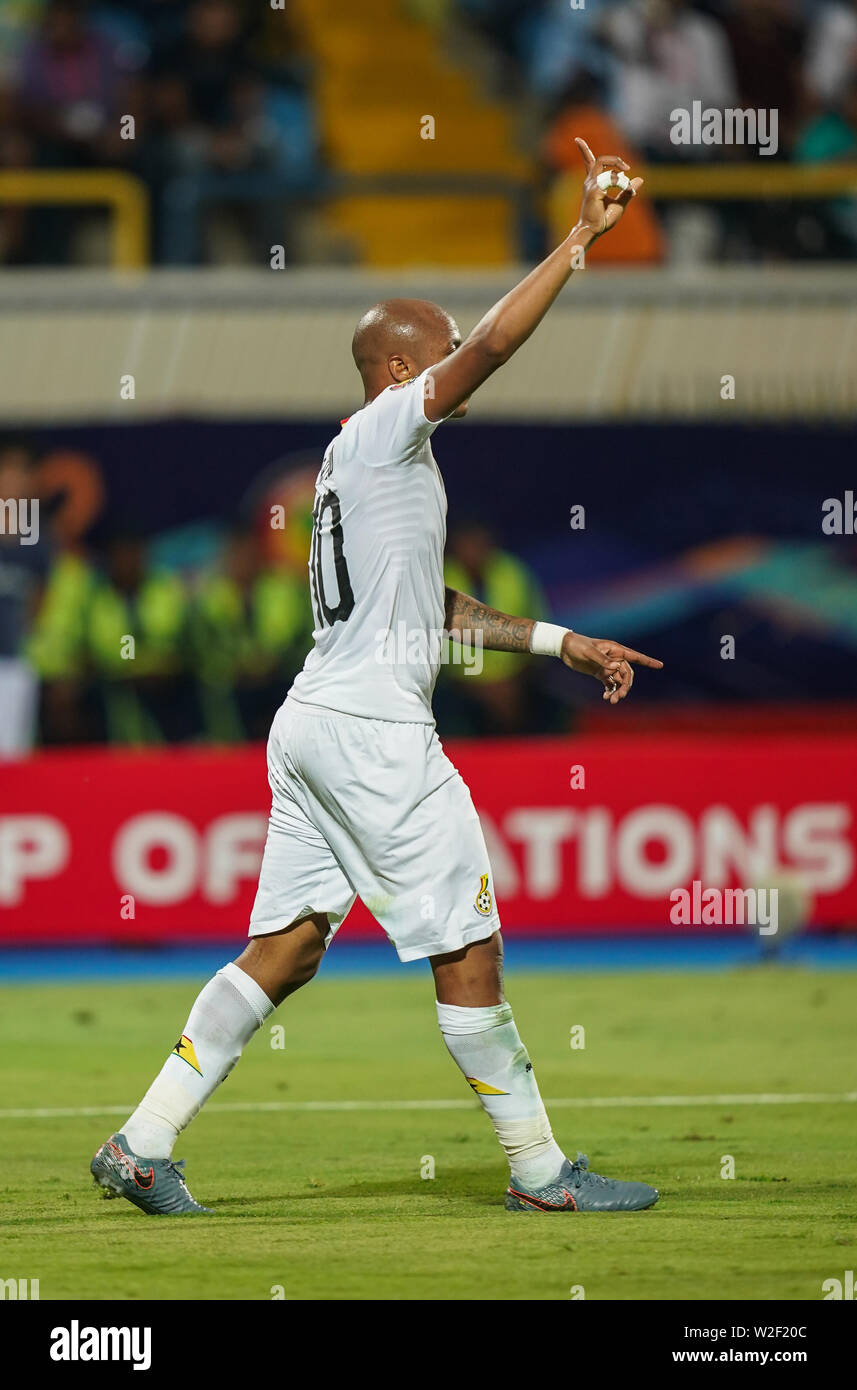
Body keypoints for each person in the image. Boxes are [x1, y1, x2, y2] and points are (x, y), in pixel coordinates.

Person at [91, 138, 664, 1216]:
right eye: (434, 353)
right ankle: (540, 1172)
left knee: (290, 945)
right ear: (402, 371)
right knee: (469, 945)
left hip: (315, 720)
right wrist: (577, 242)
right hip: (370, 733)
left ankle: (141, 1141)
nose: (452, 362)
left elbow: (433, 612)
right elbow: (493, 341)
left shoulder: (368, 471)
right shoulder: (389, 428)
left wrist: (560, 642)